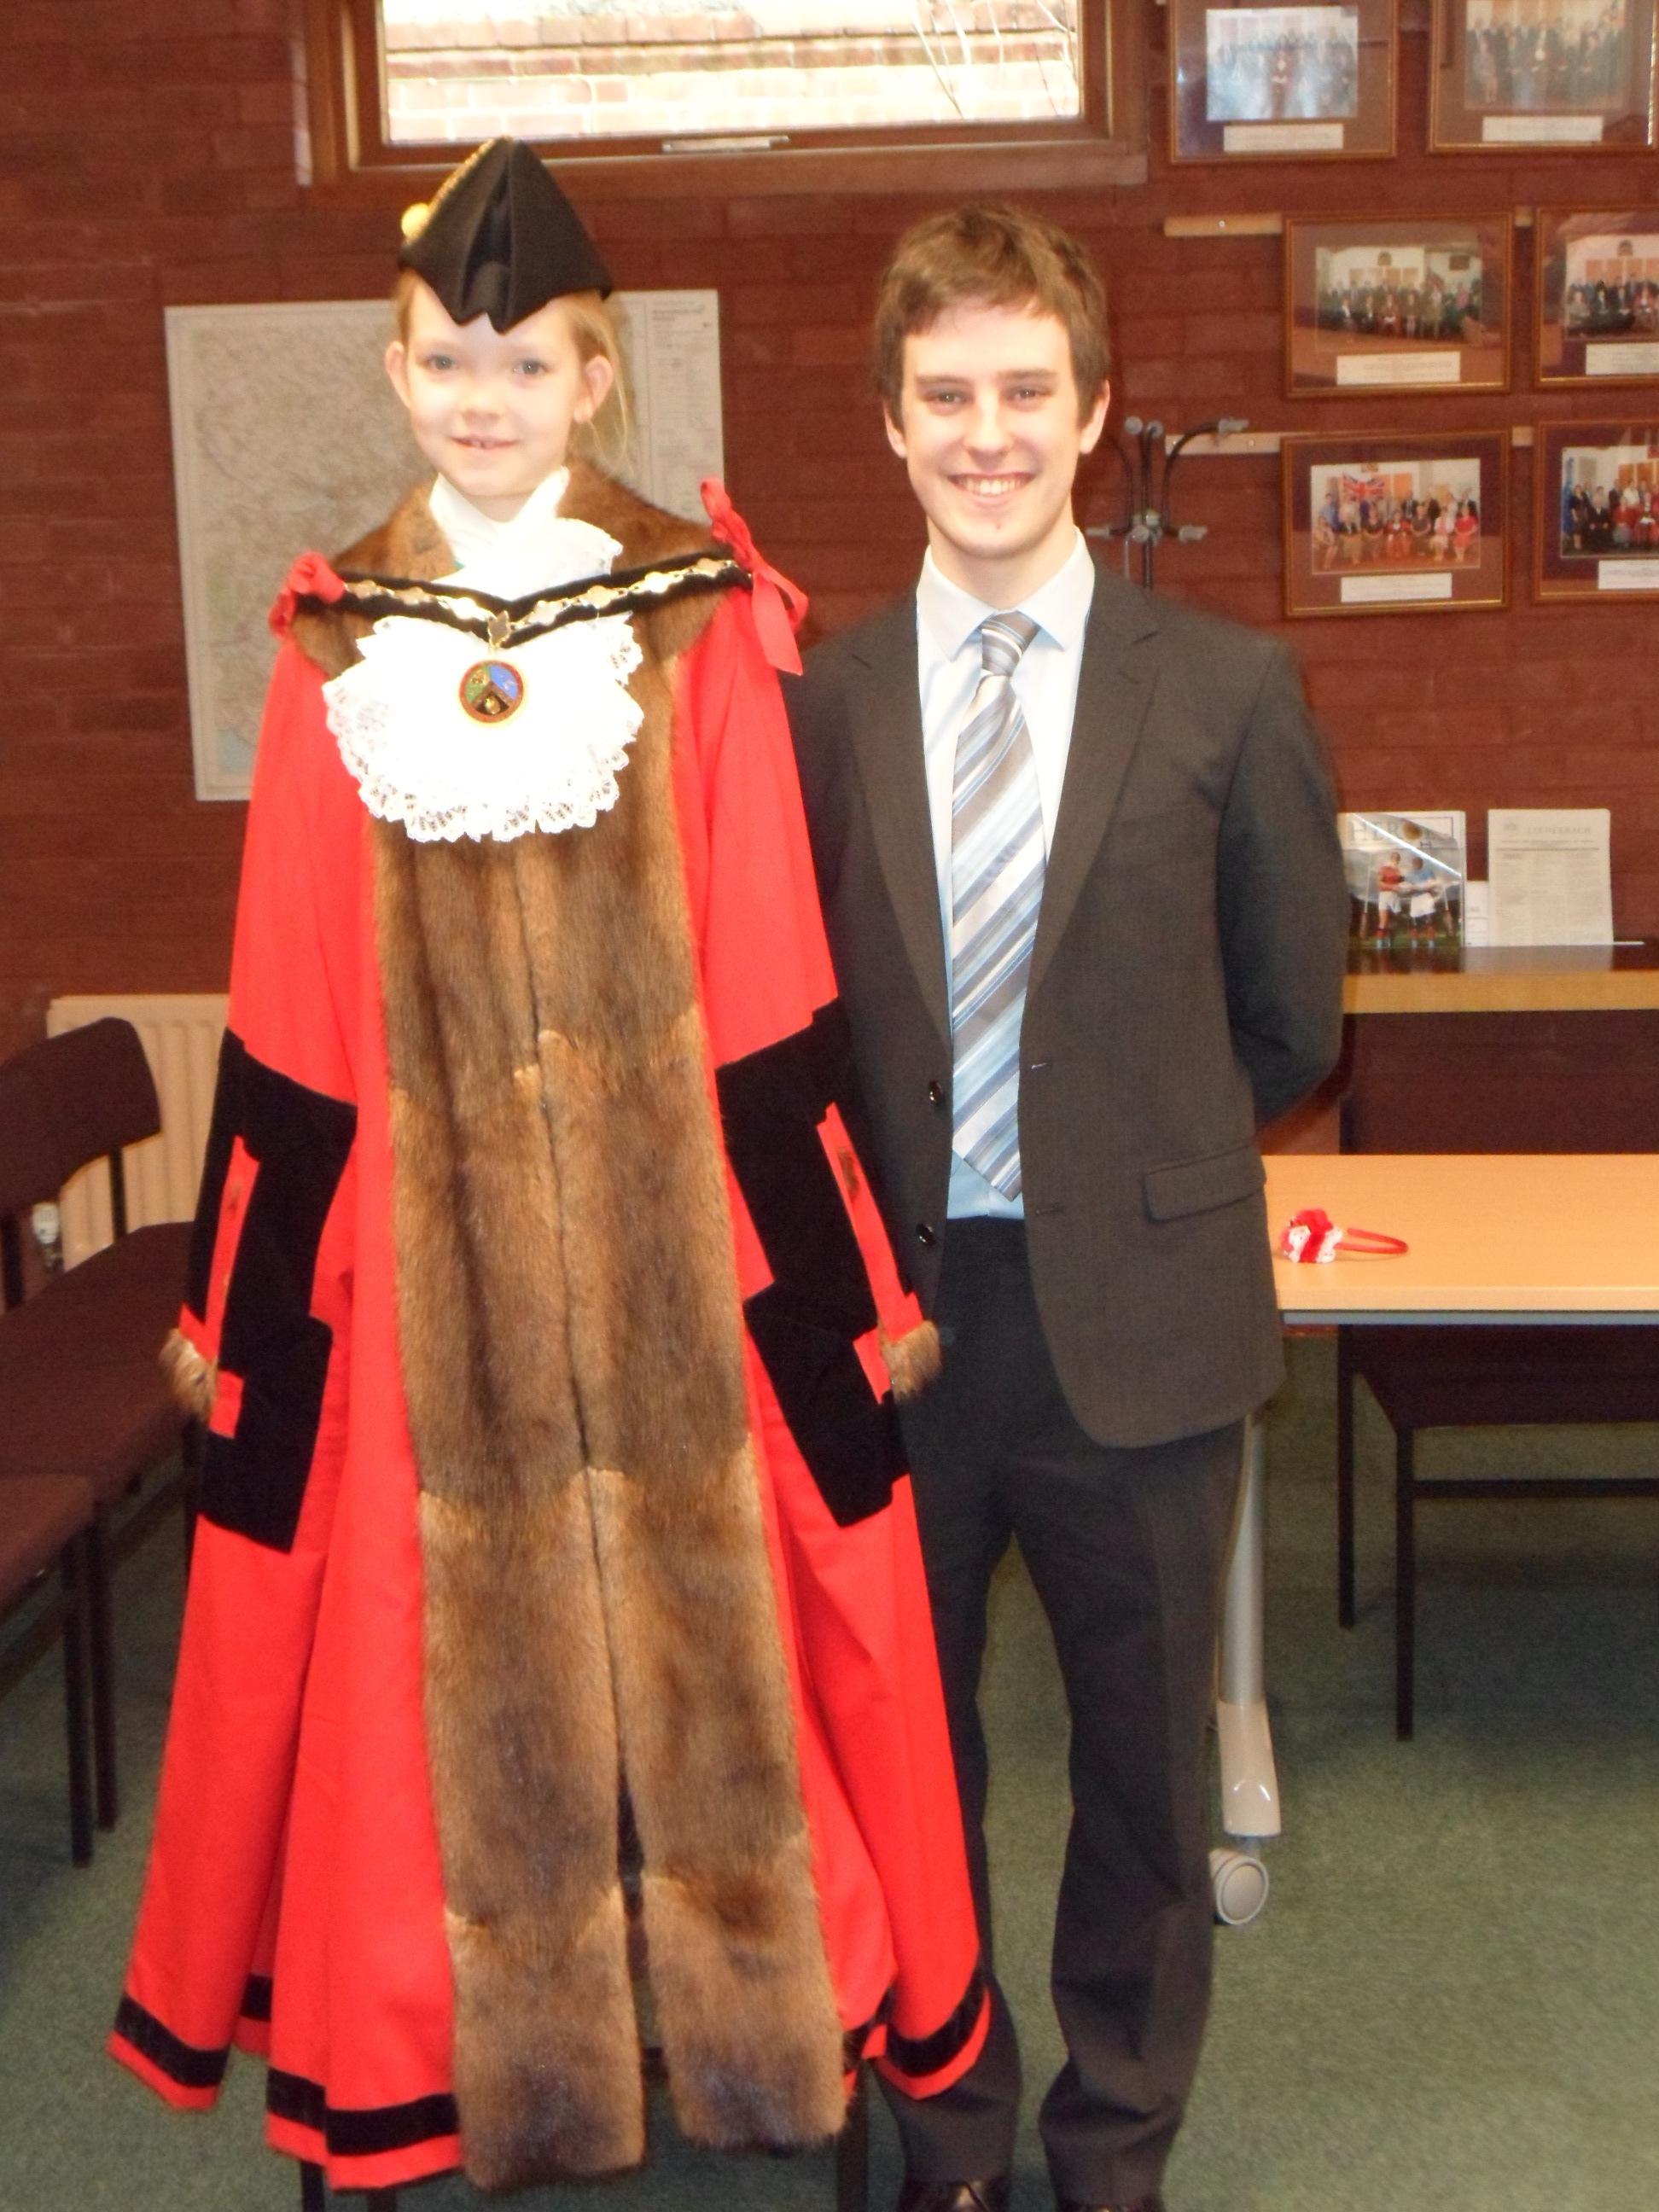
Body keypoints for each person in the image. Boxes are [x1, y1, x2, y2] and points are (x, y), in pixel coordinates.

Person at [112, 139, 988, 2201]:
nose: (484, 395)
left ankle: (748, 2027)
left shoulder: (694, 625)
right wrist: (259, 1327)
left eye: (526, 359)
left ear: (598, 375)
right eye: (446, 361)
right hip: (433, 1304)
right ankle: (436, 2063)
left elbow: (772, 985)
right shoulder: (336, 640)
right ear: (397, 374)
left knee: (758, 1642)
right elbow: (291, 1011)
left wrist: (832, 1305)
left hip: (683, 1278)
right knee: (410, 1683)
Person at [784, 204, 1348, 2212]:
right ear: (890, 422)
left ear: (1095, 415)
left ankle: (1111, 2143)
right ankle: (947, 2136)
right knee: (903, 1777)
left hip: (1146, 1325)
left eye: (1028, 391)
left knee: (1146, 1783)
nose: (988, 433)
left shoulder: (1231, 688)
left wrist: (1129, 1153)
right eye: (948, 396)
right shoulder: (819, 709)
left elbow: (1295, 1024)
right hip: (895, 1333)